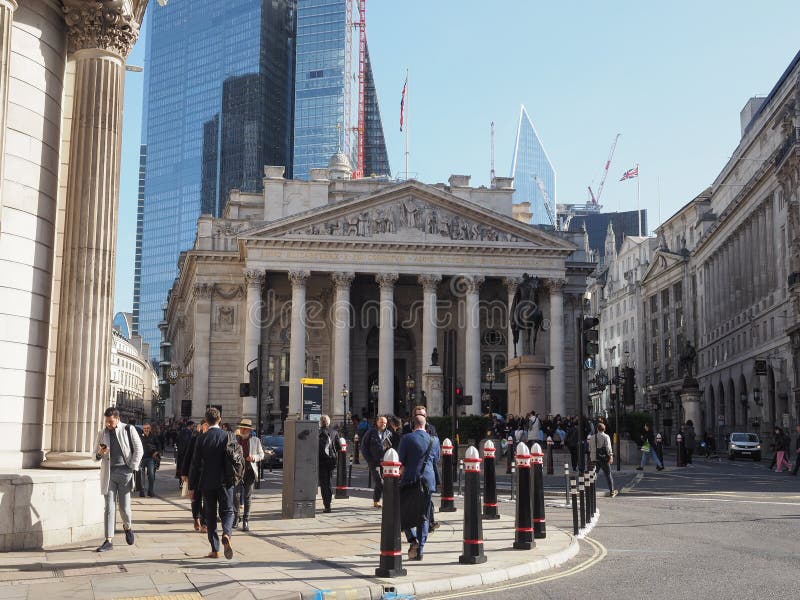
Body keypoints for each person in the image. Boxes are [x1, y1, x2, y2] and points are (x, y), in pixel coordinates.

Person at [93, 407, 144, 552]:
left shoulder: (128, 429)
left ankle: (128, 527)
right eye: (106, 422)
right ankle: (108, 540)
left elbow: (139, 449)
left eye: (110, 421)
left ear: (118, 419)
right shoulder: (102, 433)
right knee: (109, 507)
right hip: (108, 474)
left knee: (124, 508)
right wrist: (99, 453)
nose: (108, 424)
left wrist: (132, 468)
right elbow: (94, 456)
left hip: (125, 474)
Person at [189, 407, 235, 559]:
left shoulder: (201, 438)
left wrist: (192, 486)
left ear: (206, 421)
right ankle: (227, 534)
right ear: (219, 419)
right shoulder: (227, 436)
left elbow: (195, 464)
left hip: (207, 481)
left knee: (210, 515)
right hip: (225, 481)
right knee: (228, 511)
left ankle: (215, 549)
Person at [398, 414, 440, 562]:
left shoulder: (407, 438)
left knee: (403, 511)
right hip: (428, 481)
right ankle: (420, 550)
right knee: (424, 515)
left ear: (412, 425)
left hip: (410, 480)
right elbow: (437, 459)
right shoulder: (434, 440)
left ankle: (413, 540)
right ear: (425, 424)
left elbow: (400, 461)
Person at [233, 418, 265, 531]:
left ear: (249, 430)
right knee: (235, 496)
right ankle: (236, 518)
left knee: (247, 496)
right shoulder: (235, 440)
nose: (242, 430)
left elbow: (261, 454)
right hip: (237, 472)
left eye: (244, 428)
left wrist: (254, 458)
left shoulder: (256, 440)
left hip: (250, 471)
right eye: (241, 428)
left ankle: (246, 520)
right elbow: (230, 453)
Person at [181, 419, 209, 532]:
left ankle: (205, 523)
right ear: (201, 427)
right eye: (205, 426)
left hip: (207, 474)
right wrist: (184, 473)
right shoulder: (195, 438)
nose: (206, 428)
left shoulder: (211, 438)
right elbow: (188, 455)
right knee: (196, 498)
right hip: (195, 473)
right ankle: (196, 518)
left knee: (207, 500)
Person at [361, 416, 391, 508]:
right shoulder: (370, 432)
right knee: (379, 481)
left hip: (385, 461)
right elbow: (364, 447)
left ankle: (376, 500)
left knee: (382, 481)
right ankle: (388, 499)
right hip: (374, 461)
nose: (383, 424)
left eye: (385, 423)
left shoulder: (388, 433)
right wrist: (369, 459)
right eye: (381, 422)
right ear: (377, 422)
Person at [589, 423, 617, 497]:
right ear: (604, 429)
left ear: (597, 429)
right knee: (608, 475)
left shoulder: (592, 437)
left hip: (594, 458)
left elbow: (589, 449)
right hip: (603, 458)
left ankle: (591, 491)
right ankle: (612, 491)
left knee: (594, 475)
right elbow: (608, 447)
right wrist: (611, 456)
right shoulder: (606, 436)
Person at [318, 415, 339, 513]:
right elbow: (338, 447)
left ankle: (326, 505)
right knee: (328, 482)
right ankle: (328, 504)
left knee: (323, 483)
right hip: (331, 461)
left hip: (320, 461)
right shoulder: (334, 432)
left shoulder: (317, 432)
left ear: (320, 422)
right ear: (329, 422)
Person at [139, 422, 160, 497]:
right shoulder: (139, 436)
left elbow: (159, 445)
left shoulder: (153, 436)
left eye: (147, 428)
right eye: (145, 428)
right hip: (141, 458)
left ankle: (150, 491)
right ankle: (142, 491)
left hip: (150, 458)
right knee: (141, 476)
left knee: (151, 475)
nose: (146, 429)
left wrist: (156, 452)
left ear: (150, 429)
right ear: (143, 429)